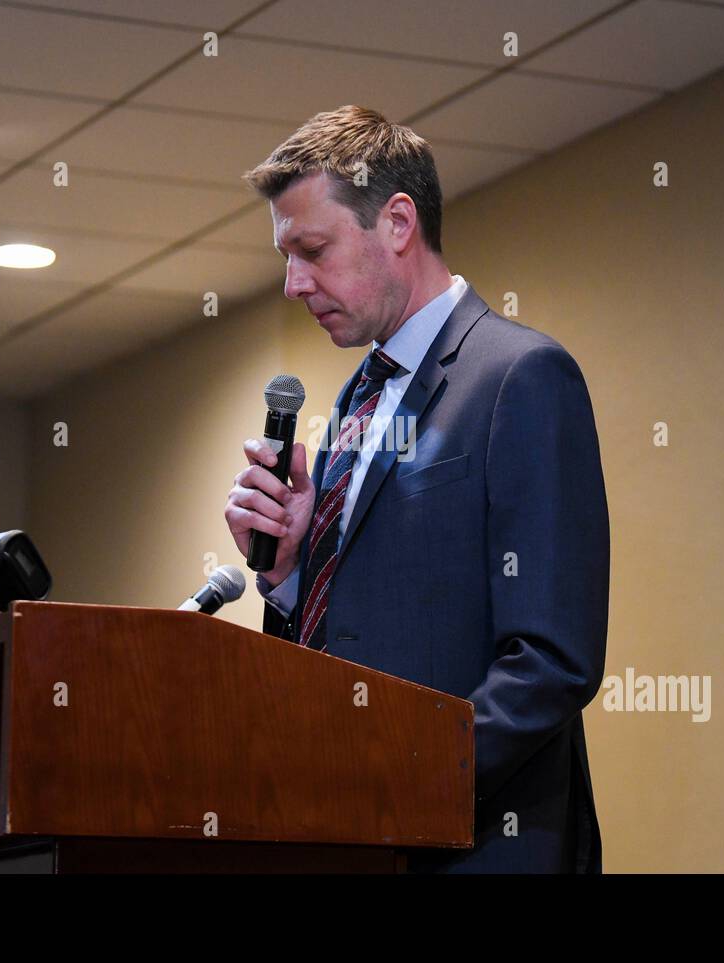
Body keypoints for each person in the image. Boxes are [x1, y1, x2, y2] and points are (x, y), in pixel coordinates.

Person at [224, 105, 610, 873]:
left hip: (477, 847)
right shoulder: (354, 406)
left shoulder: (518, 376)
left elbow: (553, 658)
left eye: (311, 249)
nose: (293, 282)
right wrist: (295, 572)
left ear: (398, 222)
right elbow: (360, 637)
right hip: (353, 844)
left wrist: (403, 784)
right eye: (285, 255)